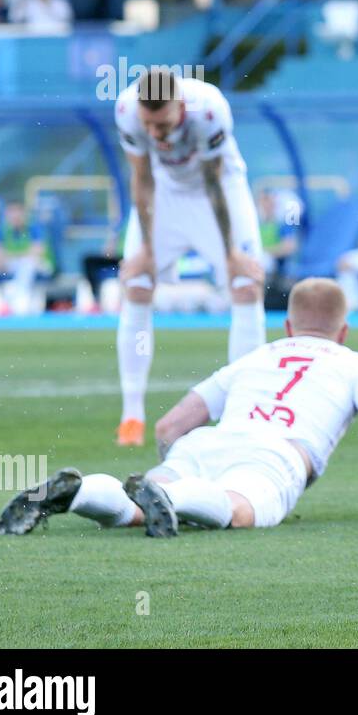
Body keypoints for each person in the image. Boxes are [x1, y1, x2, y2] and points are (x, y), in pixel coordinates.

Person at [0, 278, 358, 536]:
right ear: (344, 331)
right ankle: (175, 498)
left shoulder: (256, 356)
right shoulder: (357, 365)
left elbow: (169, 426)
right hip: (276, 454)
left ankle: (81, 491)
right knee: (238, 509)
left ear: (288, 326)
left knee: (136, 507)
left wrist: (174, 465)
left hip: (209, 441)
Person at [113, 67, 266, 447]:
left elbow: (214, 181)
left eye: (162, 124)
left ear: (180, 105)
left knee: (246, 285)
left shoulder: (211, 109)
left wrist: (231, 251)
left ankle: (243, 408)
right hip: (164, 194)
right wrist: (146, 249)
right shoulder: (127, 110)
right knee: (137, 283)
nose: (155, 134)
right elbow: (142, 177)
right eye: (149, 125)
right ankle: (132, 415)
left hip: (218, 191)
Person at [0, 201, 52, 316]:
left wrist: (8, 255)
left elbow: (37, 251)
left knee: (27, 264)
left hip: (40, 264)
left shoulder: (34, 227)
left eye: (18, 212)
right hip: (11, 263)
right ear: (6, 214)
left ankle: (18, 303)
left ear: (24, 214)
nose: (15, 216)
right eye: (11, 212)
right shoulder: (2, 229)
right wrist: (1, 260)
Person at [256, 188, 299, 278]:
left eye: (270, 201)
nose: (267, 205)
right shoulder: (255, 222)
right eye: (264, 201)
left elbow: (289, 247)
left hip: (275, 269)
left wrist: (265, 251)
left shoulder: (283, 223)